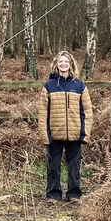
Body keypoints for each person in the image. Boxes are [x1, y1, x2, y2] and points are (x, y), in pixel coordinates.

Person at [38, 50, 93, 204]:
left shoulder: (79, 85)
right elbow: (43, 113)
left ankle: (74, 194)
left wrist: (85, 133)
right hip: (54, 133)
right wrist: (44, 135)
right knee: (53, 165)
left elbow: (87, 111)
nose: (63, 64)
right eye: (60, 62)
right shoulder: (48, 86)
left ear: (71, 65)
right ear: (56, 64)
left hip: (75, 133)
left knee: (74, 165)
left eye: (66, 62)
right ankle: (53, 194)